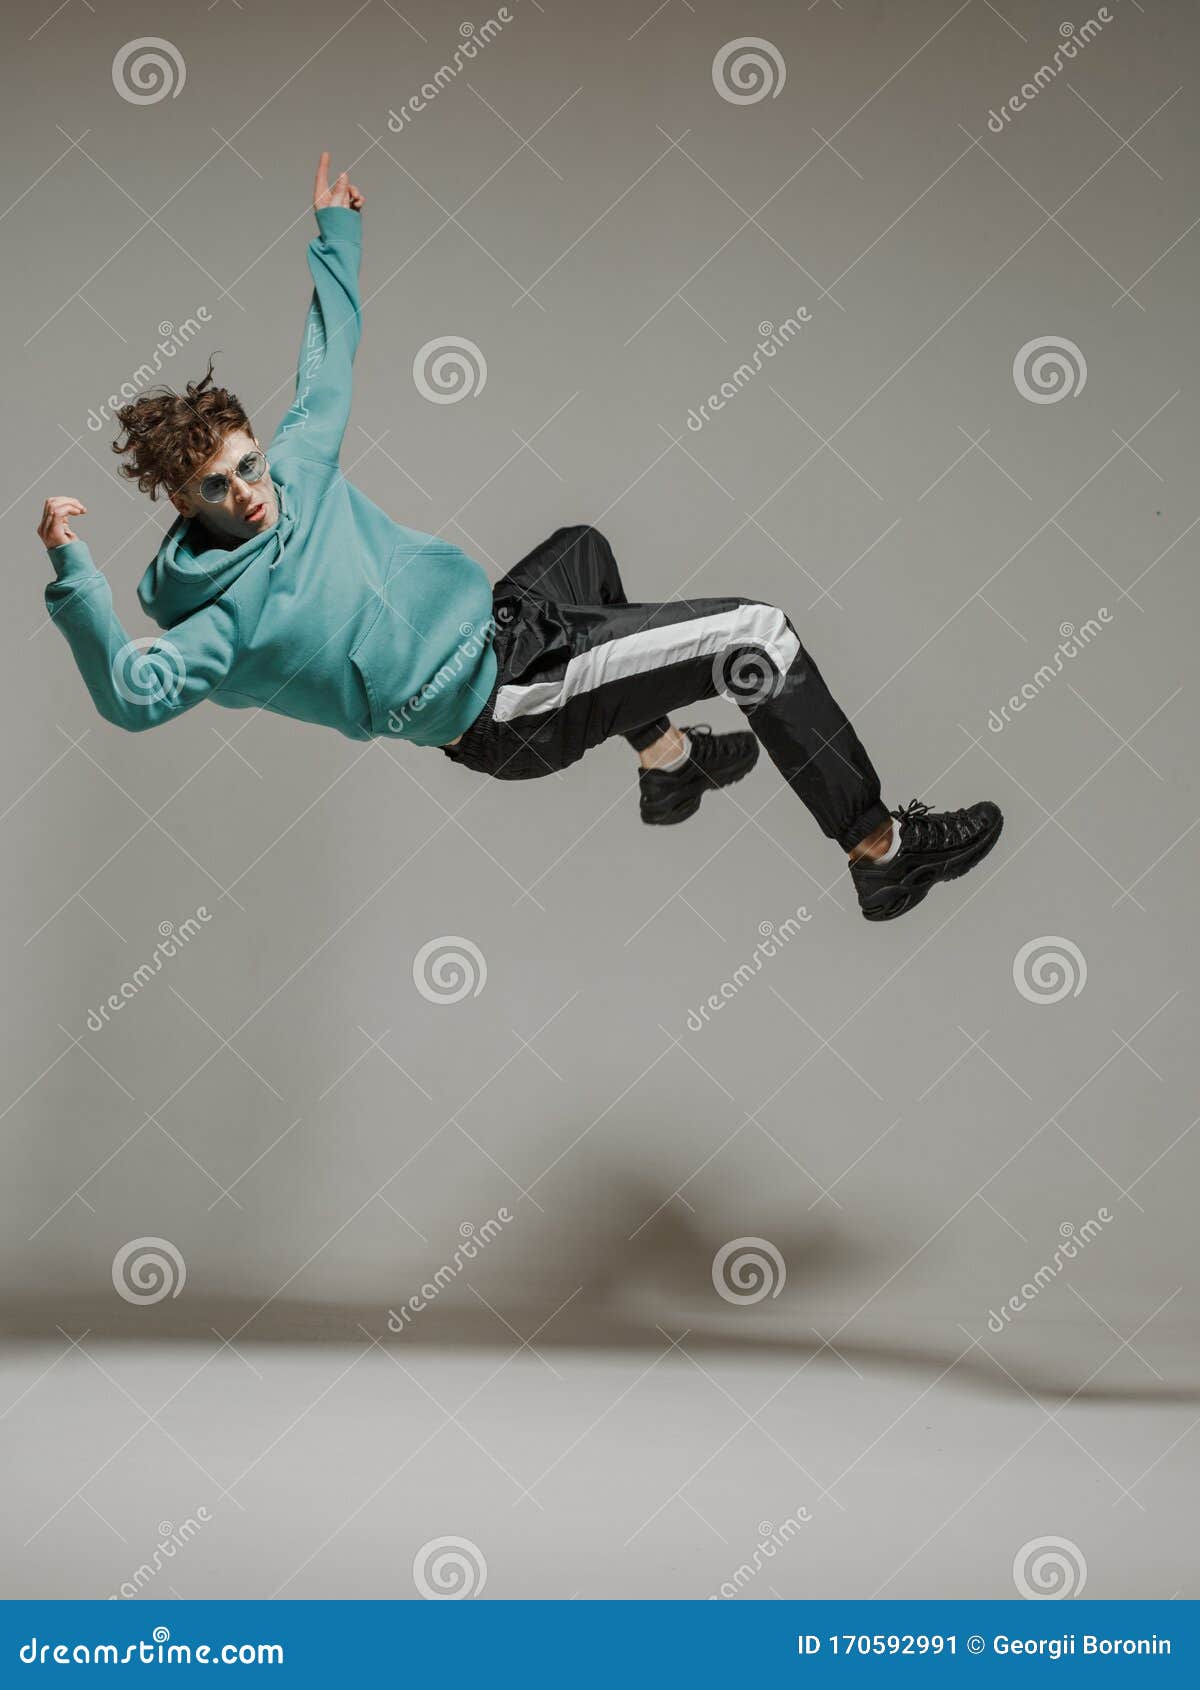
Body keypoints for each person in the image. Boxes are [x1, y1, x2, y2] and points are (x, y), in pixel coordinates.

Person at [38, 152, 1002, 922]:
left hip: (511, 624)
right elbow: (131, 695)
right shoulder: (222, 625)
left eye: (248, 464)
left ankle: (667, 767)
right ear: (183, 501)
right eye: (219, 486)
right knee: (759, 636)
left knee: (581, 547)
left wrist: (336, 235)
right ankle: (882, 852)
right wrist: (75, 577)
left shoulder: (295, 474)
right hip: (506, 706)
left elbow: (326, 368)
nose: (250, 493)